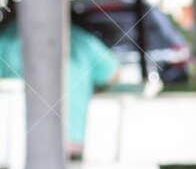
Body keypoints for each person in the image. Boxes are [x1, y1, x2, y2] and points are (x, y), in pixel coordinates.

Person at [0, 14, 123, 153]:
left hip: (19, 146)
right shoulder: (80, 39)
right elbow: (114, 74)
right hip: (74, 144)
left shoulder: (6, 39)